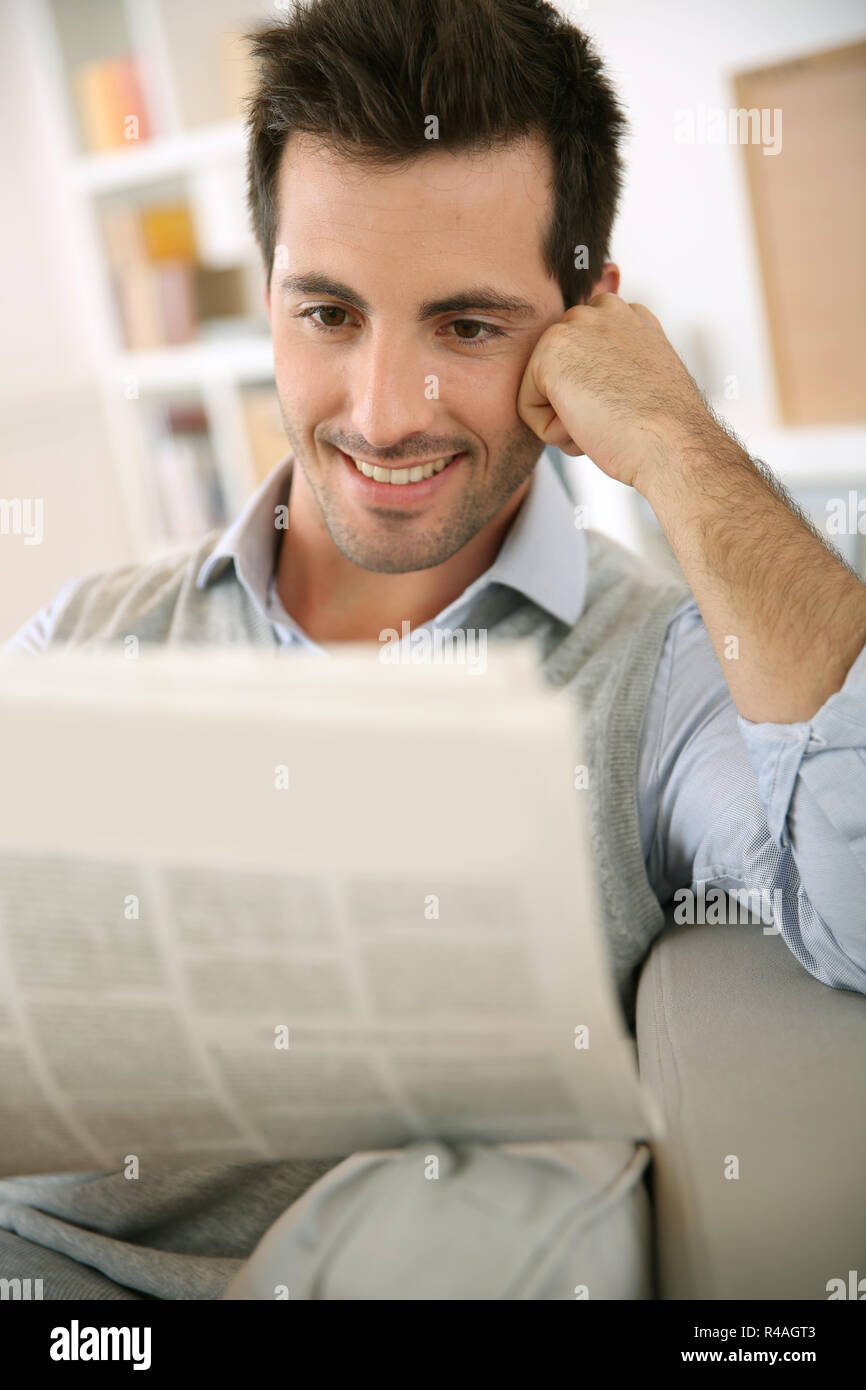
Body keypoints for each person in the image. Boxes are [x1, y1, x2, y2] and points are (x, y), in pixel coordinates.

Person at [3, 0, 864, 1300]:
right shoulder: (88, 635)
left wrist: (677, 442)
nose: (381, 413)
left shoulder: (663, 680)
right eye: (327, 314)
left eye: (466, 326)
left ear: (589, 326)